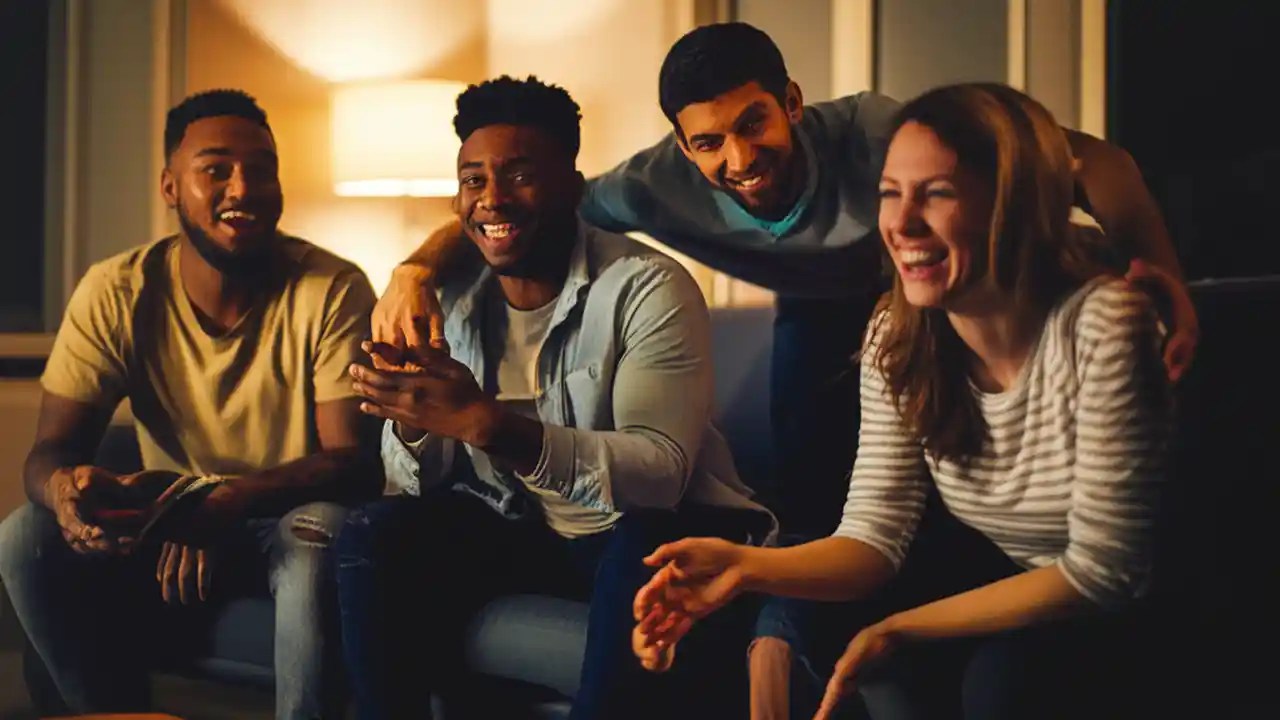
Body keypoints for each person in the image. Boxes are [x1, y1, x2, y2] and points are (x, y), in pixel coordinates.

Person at [367, 22, 1196, 541]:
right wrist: (414, 268)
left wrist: (1155, 265)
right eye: (707, 143)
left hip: (936, 296)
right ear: (681, 146)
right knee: (806, 475)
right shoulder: (652, 182)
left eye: (753, 122)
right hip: (822, 311)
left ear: (792, 101)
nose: (737, 159)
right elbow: (517, 209)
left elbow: (1095, 160)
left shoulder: (876, 128)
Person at [631, 83, 1173, 720]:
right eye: (890, 193)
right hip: (1013, 566)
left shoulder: (1105, 320)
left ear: (1011, 204)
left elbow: (1106, 572)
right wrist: (744, 567)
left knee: (1002, 687)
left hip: (1146, 599)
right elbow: (873, 537)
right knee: (799, 609)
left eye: (936, 193)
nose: (902, 224)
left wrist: (902, 628)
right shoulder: (898, 331)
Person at [334, 76, 774, 720]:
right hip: (530, 529)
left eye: (518, 176)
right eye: (474, 180)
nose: (492, 200)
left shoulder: (647, 287)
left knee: (643, 542)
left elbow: (660, 476)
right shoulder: (450, 299)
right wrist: (415, 422)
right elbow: (414, 485)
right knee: (375, 531)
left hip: (655, 527)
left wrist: (490, 426)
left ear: (571, 184)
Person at [0, 89, 380, 720]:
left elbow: (352, 462)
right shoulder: (116, 289)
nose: (243, 187)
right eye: (216, 169)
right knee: (23, 535)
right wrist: (66, 492)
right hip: (165, 520)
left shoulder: (331, 289)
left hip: (280, 521)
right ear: (171, 187)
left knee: (321, 534)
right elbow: (50, 451)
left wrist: (224, 502)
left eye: (261, 169)